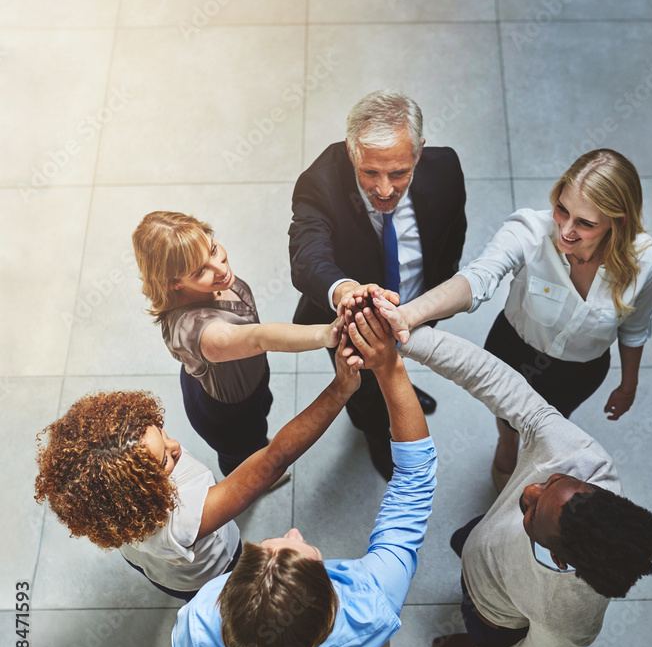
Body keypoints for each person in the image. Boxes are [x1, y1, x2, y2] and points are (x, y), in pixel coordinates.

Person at [172, 307, 437, 647]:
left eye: (275, 545)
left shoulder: (202, 628)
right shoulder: (372, 608)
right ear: (331, 605)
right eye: (299, 549)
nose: (294, 532)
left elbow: (183, 646)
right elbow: (413, 485)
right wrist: (389, 367)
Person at [373, 148, 652, 490]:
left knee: (554, 425)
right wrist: (407, 315)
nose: (566, 230)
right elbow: (477, 278)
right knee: (508, 421)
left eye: (585, 223)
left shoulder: (647, 261)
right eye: (562, 209)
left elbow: (635, 327)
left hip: (579, 372)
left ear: (619, 221)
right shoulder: (530, 229)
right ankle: (506, 444)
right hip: (514, 352)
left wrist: (628, 386)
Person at [391, 324, 652, 647]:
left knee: (481, 634)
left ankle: (475, 643)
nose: (527, 492)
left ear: (558, 558)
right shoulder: (580, 456)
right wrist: (405, 338)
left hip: (493, 614)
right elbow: (495, 380)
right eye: (551, 481)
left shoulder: (568, 617)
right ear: (590, 486)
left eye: (532, 514)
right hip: (484, 541)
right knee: (463, 540)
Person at [34, 338, 360, 601]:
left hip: (152, 566)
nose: (175, 446)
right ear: (133, 493)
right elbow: (273, 459)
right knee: (229, 593)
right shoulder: (185, 520)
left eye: (161, 431)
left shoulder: (113, 506)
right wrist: (340, 389)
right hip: (208, 574)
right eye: (163, 460)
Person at [288, 88, 466, 479]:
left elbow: (452, 241)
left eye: (399, 173)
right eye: (370, 172)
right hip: (353, 324)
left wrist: (429, 307)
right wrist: (345, 291)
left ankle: (400, 390)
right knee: (366, 392)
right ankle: (374, 433)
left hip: (416, 307)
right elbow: (307, 257)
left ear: (419, 152)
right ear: (352, 153)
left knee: (399, 366)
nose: (384, 190)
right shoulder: (318, 184)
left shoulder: (446, 168)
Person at [133, 210, 343, 477]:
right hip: (228, 413)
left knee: (260, 415)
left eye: (212, 249)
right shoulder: (206, 335)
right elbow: (259, 338)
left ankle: (257, 446)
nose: (221, 268)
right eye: (200, 271)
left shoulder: (208, 282)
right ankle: (254, 473)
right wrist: (328, 333)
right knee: (243, 454)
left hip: (240, 383)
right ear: (174, 283)